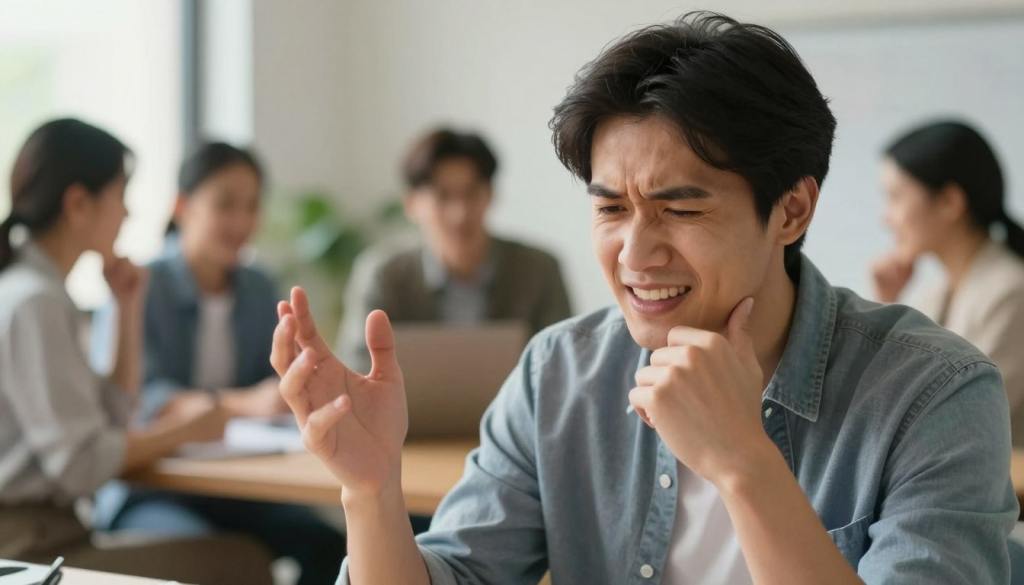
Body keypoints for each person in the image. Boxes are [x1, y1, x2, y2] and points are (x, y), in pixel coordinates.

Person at [274, 12, 1017, 585]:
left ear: (791, 210)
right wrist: (371, 493)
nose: (634, 252)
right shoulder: (559, 374)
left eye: (681, 209)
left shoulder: (935, 393)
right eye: (609, 209)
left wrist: (743, 462)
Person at [0, 119, 273, 585]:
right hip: (32, 545)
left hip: (51, 532)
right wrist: (184, 429)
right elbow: (82, 466)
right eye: (120, 198)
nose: (127, 215)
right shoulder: (34, 303)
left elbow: (113, 418)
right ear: (79, 204)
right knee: (243, 562)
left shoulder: (41, 293)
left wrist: (126, 309)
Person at [91, 141, 347, 585]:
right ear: (183, 206)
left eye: (251, 206)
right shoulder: (140, 286)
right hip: (155, 488)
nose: (241, 222)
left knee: (332, 546)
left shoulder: (257, 286)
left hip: (240, 485)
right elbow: (140, 400)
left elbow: (277, 383)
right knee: (223, 560)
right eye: (225, 204)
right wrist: (245, 404)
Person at [336, 128, 571, 371]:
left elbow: (564, 363)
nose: (460, 214)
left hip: (519, 411)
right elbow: (358, 367)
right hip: (410, 411)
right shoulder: (383, 274)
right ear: (412, 204)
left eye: (472, 193)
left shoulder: (539, 270)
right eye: (443, 196)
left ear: (491, 195)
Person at [871, 120, 1024, 445]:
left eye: (895, 198)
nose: (886, 216)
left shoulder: (1012, 293)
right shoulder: (937, 294)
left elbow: (964, 417)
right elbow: (883, 397)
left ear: (950, 202)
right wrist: (885, 304)